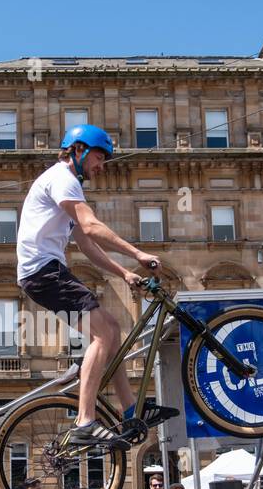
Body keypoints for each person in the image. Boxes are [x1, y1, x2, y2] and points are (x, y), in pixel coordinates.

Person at [15, 123, 170, 450]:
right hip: (42, 271)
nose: (102, 166)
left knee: (112, 329)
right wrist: (138, 254)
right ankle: (85, 421)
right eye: (100, 157)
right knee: (102, 333)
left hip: (45, 271)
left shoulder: (67, 186)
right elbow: (91, 226)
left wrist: (123, 272)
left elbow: (86, 244)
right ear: (78, 150)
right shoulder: (63, 178)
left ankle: (132, 410)